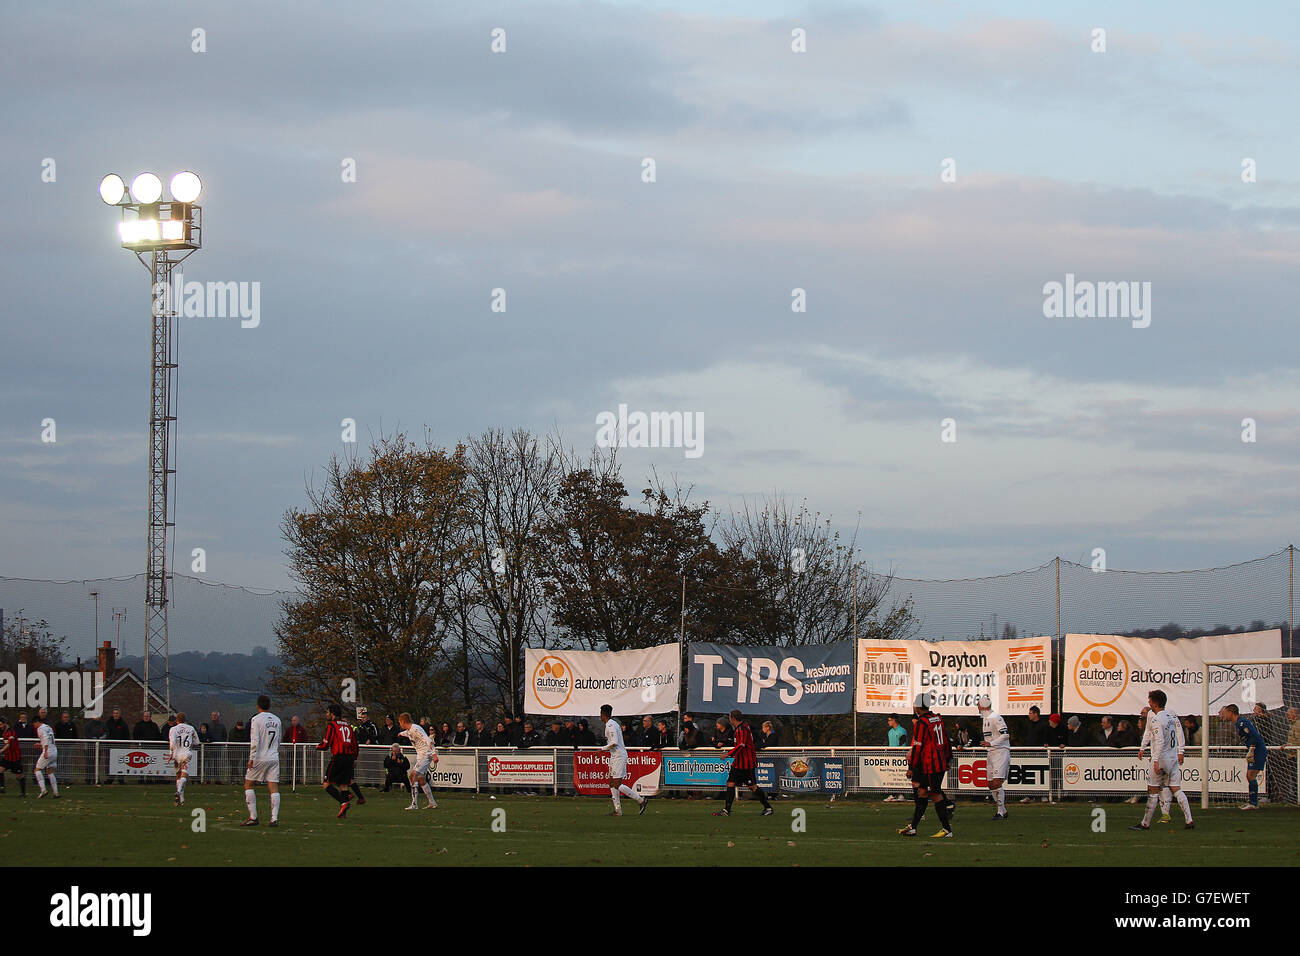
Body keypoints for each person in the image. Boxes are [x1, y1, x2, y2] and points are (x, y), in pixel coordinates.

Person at [1130, 690, 1193, 830]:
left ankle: (1144, 824)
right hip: (1172, 758)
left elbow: (1159, 740)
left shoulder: (1157, 719)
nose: (1149, 703)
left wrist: (1156, 760)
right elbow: (1176, 733)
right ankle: (1189, 820)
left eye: (1150, 701)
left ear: (1155, 703)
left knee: (1153, 790)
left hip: (1162, 757)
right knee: (1176, 789)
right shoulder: (1170, 717)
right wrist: (1179, 751)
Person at [898, 693, 953, 838]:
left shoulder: (922, 723)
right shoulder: (938, 718)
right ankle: (913, 828)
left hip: (930, 765)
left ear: (918, 706)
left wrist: (911, 767)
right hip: (939, 762)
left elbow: (917, 746)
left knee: (935, 794)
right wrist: (948, 759)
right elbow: (946, 740)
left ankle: (947, 829)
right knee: (922, 792)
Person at [711, 709, 772, 818]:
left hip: (746, 764)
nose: (729, 720)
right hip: (738, 762)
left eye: (730, 717)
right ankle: (726, 810)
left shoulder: (742, 729)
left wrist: (728, 754)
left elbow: (741, 745)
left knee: (752, 787)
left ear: (733, 718)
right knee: (730, 783)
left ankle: (768, 807)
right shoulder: (740, 728)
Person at [598, 704, 647, 817]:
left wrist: (602, 749)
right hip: (615, 756)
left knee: (617, 784)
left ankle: (641, 800)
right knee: (612, 783)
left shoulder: (610, 725)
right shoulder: (612, 724)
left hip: (619, 756)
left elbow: (614, 742)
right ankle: (618, 810)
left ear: (603, 714)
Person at [241, 696, 283, 827]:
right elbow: (279, 739)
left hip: (259, 757)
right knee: (273, 787)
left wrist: (251, 758)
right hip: (273, 757)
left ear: (258, 706)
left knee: (248, 784)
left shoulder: (256, 719)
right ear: (269, 706)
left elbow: (255, 740)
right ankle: (274, 818)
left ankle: (253, 817)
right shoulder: (277, 720)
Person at [318, 703, 363, 819]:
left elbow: (326, 744)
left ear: (332, 714)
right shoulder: (348, 726)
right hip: (349, 757)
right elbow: (355, 745)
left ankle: (344, 802)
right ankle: (343, 813)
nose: (326, 714)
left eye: (328, 712)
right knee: (343, 785)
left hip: (339, 757)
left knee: (326, 784)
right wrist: (354, 758)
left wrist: (318, 746)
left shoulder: (332, 725)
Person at [1218, 703, 1267, 810]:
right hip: (1254, 750)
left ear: (1231, 712)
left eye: (1225, 713)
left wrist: (1252, 749)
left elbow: (1254, 735)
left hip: (1257, 750)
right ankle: (1252, 802)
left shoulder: (1242, 722)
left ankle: (1253, 803)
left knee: (1251, 775)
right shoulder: (1238, 723)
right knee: (1249, 776)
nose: (1223, 716)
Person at [978, 696, 1010, 821]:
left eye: (979, 705)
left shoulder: (996, 717)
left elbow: (1006, 735)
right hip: (991, 753)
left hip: (1000, 752)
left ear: (983, 706)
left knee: (997, 782)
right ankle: (1003, 810)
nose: (978, 708)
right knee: (990, 784)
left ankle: (1000, 812)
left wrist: (991, 744)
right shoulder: (986, 718)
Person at [397, 713, 438, 810]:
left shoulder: (416, 728)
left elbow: (428, 740)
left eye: (399, 722)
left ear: (403, 721)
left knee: (412, 775)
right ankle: (432, 802)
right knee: (420, 779)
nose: (399, 724)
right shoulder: (409, 730)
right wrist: (400, 734)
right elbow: (407, 733)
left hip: (426, 754)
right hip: (421, 755)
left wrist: (434, 754)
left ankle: (414, 804)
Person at [167, 711, 199, 807]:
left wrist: (171, 753)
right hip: (186, 753)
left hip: (177, 754)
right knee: (184, 774)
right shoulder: (191, 728)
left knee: (178, 775)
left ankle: (181, 798)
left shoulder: (173, 729)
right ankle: (179, 792)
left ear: (177, 720)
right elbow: (197, 742)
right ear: (185, 720)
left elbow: (172, 743)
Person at [31, 712, 59, 799]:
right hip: (54, 751)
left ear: (37, 722)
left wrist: (45, 751)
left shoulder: (40, 728)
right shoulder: (48, 727)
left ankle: (43, 790)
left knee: (37, 769)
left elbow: (46, 740)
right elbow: (49, 740)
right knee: (50, 772)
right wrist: (40, 745)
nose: (34, 726)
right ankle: (56, 792)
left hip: (48, 751)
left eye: (33, 724)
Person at [0, 718, 27, 796]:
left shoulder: (11, 732)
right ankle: (2, 787)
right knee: (0, 769)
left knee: (19, 776)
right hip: (7, 757)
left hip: (15, 758)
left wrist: (1, 750)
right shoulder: (4, 733)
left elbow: (9, 744)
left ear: (5, 723)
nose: (0, 726)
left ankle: (23, 793)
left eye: (1, 724)